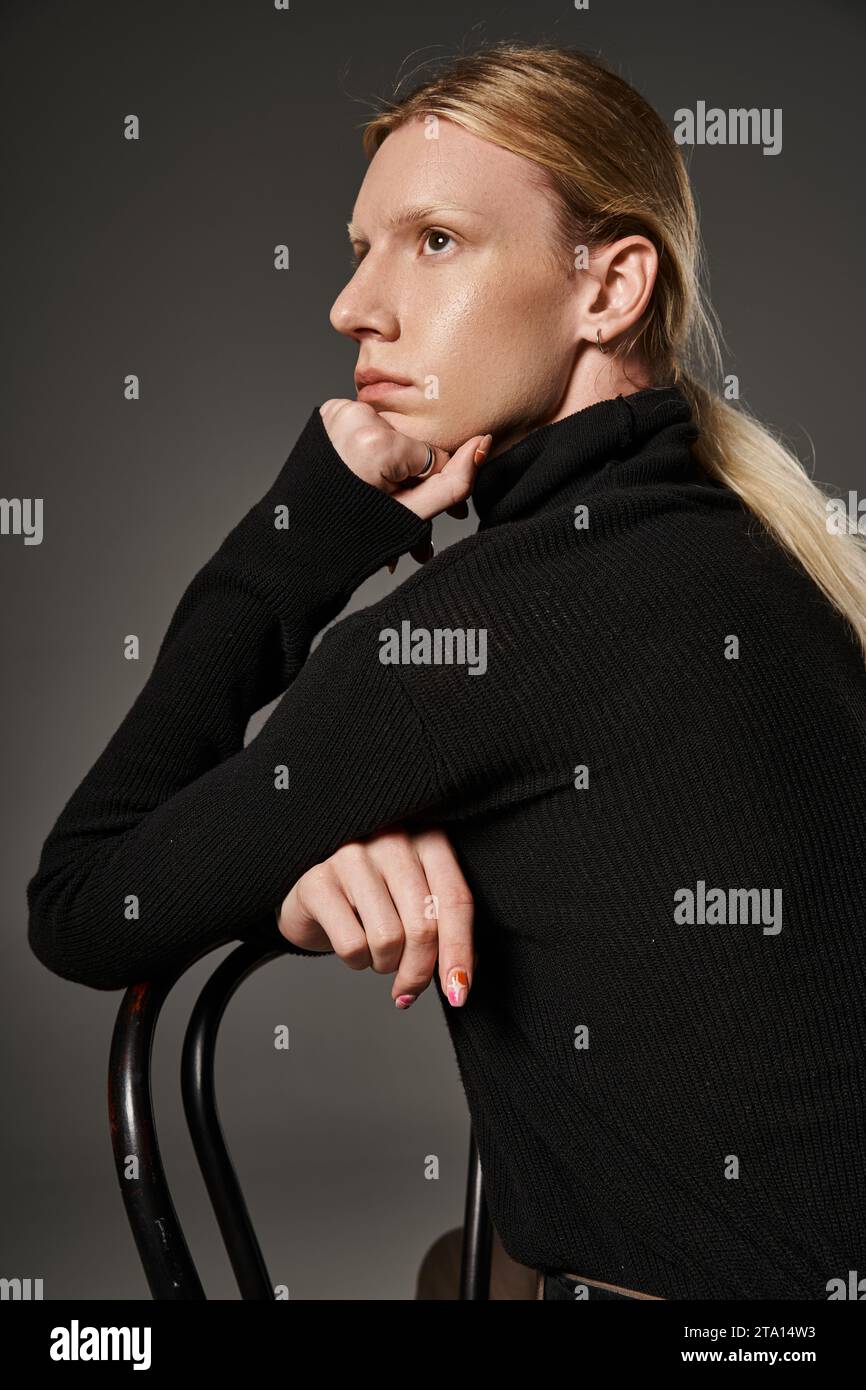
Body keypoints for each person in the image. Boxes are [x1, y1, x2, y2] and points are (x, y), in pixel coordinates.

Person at [27, 41, 866, 1300]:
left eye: (432, 242)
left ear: (610, 286)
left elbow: (86, 900)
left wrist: (300, 531)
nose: (354, 306)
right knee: (449, 1269)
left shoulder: (488, 632)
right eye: (358, 248)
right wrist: (319, 854)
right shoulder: (763, 551)